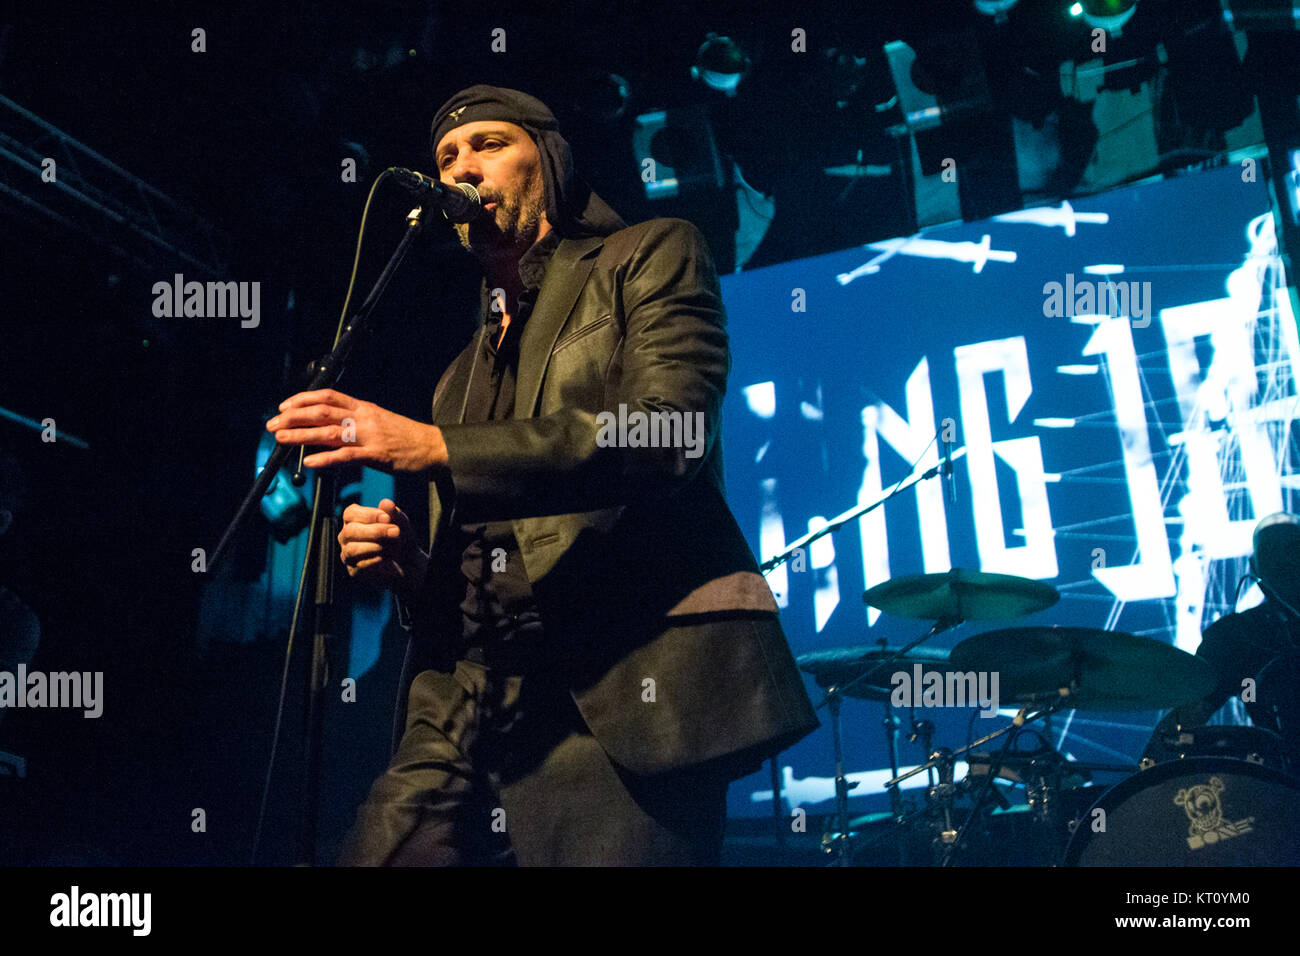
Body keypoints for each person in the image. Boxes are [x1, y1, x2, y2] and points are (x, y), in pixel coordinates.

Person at [266, 85, 818, 865]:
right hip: (470, 696)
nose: (463, 166)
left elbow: (672, 430)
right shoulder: (455, 378)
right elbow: (469, 574)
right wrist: (411, 569)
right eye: (447, 156)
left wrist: (437, 449)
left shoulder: (650, 252)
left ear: (550, 162)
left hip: (621, 681)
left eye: (490, 145)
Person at [1143, 512, 1300, 768]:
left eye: (1293, 549)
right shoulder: (1238, 634)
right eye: (1273, 551)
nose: (1285, 560)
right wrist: (1148, 779)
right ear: (1254, 566)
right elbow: (1190, 713)